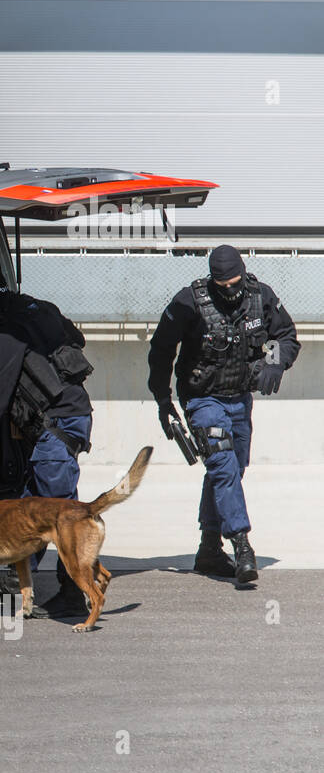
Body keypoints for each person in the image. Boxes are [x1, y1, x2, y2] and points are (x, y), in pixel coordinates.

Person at [147, 244, 300, 584]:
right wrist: (163, 400)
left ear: (243, 275)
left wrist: (273, 361)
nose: (230, 292)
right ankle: (242, 545)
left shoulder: (262, 296)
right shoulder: (188, 302)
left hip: (239, 398)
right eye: (223, 286)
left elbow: (286, 335)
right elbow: (160, 350)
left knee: (232, 469)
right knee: (222, 463)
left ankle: (208, 551)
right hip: (203, 400)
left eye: (235, 284)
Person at [0, 263, 94, 618]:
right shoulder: (38, 308)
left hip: (57, 423)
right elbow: (76, 340)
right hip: (68, 417)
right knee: (30, 504)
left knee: (58, 513)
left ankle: (75, 594)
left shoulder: (7, 335)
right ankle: (13, 579)